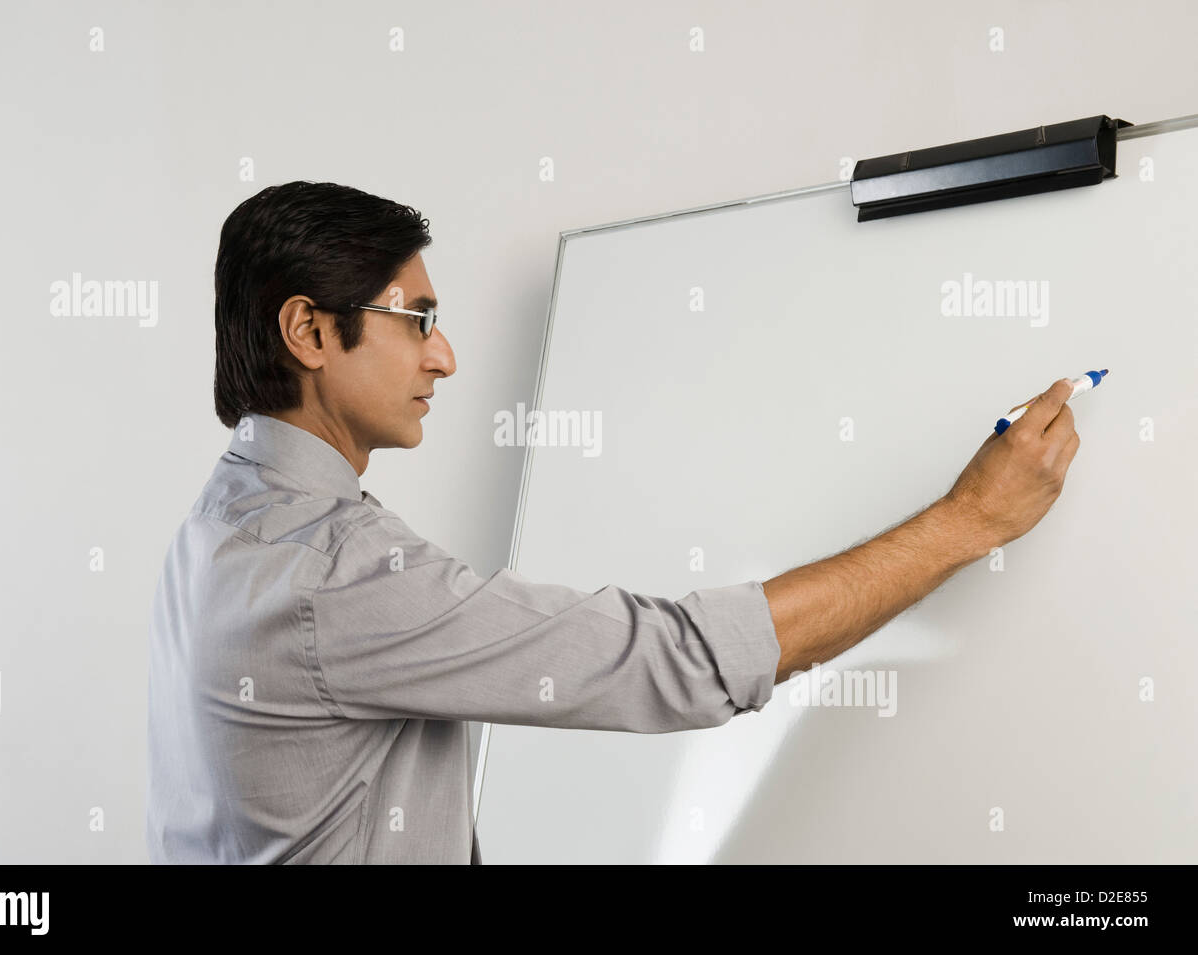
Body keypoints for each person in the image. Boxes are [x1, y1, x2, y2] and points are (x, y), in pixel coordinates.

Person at [145, 181, 1080, 864]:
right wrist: (971, 520)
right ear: (309, 332)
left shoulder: (220, 524)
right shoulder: (333, 570)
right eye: (415, 318)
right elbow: (673, 662)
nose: (446, 357)